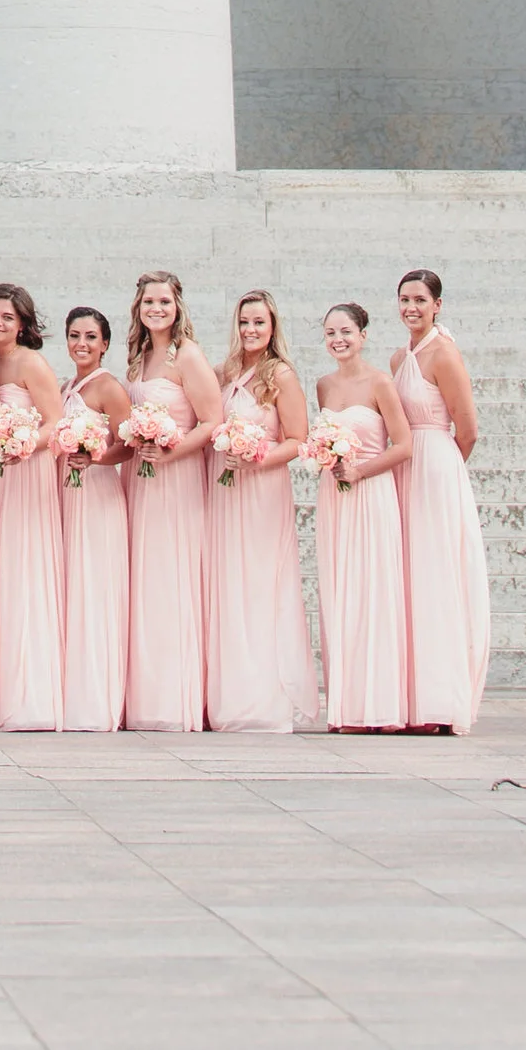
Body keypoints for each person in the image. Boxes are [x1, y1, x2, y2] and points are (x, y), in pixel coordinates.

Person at [206, 285, 319, 734]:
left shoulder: (281, 376)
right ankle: (230, 693)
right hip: (225, 489)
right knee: (228, 583)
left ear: (273, 328)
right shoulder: (224, 372)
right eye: (245, 322)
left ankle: (265, 697)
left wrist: (256, 458)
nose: (251, 330)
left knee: (259, 583)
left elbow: (298, 440)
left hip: (263, 491)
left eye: (259, 322)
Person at [391, 270, 489, 734]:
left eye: (420, 300)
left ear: (437, 305)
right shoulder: (398, 358)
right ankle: (414, 695)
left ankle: (444, 699)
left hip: (436, 463)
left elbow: (467, 426)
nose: (411, 307)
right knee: (412, 578)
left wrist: (445, 471)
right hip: (405, 465)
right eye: (405, 299)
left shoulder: (443, 354)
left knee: (438, 574)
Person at [123, 270, 219, 734]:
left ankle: (176, 697)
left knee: (172, 578)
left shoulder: (188, 357)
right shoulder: (139, 357)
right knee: (147, 581)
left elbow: (211, 421)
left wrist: (168, 450)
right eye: (148, 303)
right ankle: (147, 694)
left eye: (163, 302)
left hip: (176, 478)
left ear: (178, 306)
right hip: (141, 482)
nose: (156, 310)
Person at [313, 301, 412, 731]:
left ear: (363, 335)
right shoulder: (322, 386)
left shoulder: (380, 383)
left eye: (346, 332)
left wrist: (360, 470)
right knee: (341, 591)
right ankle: (347, 707)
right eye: (331, 332)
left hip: (371, 493)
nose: (338, 339)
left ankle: (380, 705)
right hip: (335, 496)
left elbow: (404, 445)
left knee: (373, 592)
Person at [0, 281, 64, 731]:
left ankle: (31, 694)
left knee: (25, 571)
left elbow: (55, 422)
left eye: (8, 317)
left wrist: (25, 445)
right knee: (0, 574)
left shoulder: (31, 363)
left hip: (27, 471)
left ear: (24, 323)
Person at [59, 307, 132, 733]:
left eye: (90, 336)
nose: (81, 344)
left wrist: (95, 455)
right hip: (69, 494)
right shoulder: (66, 385)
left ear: (105, 343)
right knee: (73, 589)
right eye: (74, 335)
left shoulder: (108, 387)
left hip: (99, 491)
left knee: (94, 587)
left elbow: (128, 445)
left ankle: (98, 699)